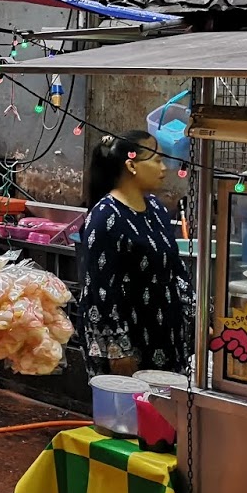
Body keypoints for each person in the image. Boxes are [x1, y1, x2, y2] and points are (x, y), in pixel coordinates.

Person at [79, 130, 193, 375]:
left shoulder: (156, 208)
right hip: (128, 342)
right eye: (156, 160)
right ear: (131, 165)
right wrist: (118, 350)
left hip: (165, 335)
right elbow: (101, 292)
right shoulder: (105, 217)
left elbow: (175, 268)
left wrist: (197, 318)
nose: (164, 168)